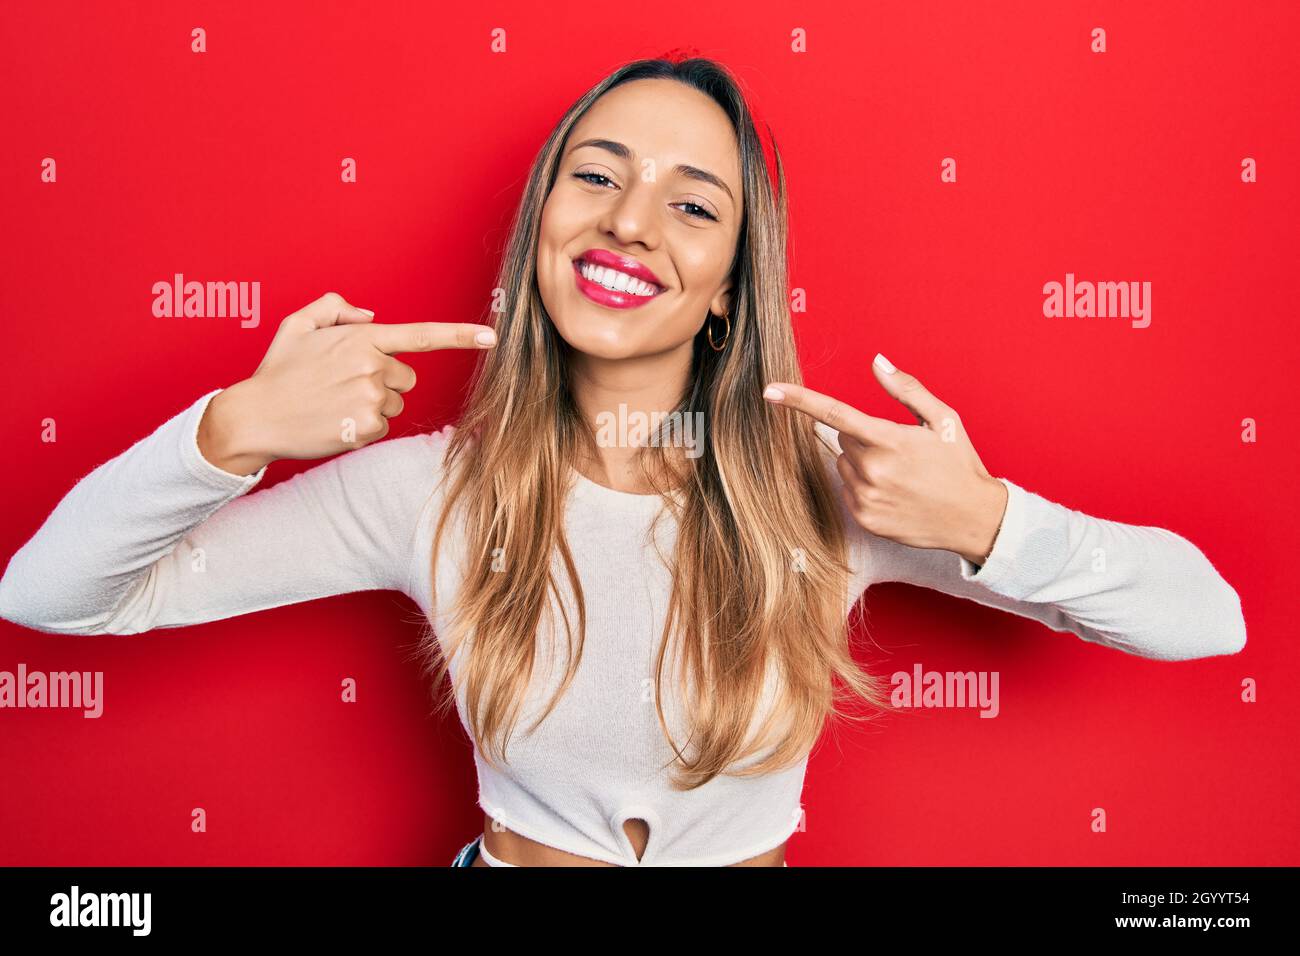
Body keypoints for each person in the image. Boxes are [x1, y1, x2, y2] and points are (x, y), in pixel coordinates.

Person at [0, 57, 1247, 868]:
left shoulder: (827, 489)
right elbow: (50, 595)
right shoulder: (430, 489)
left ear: (723, 291)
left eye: (692, 203)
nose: (630, 219)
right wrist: (230, 432)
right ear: (545, 223)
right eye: (596, 177)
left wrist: (990, 521)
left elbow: (1206, 619)